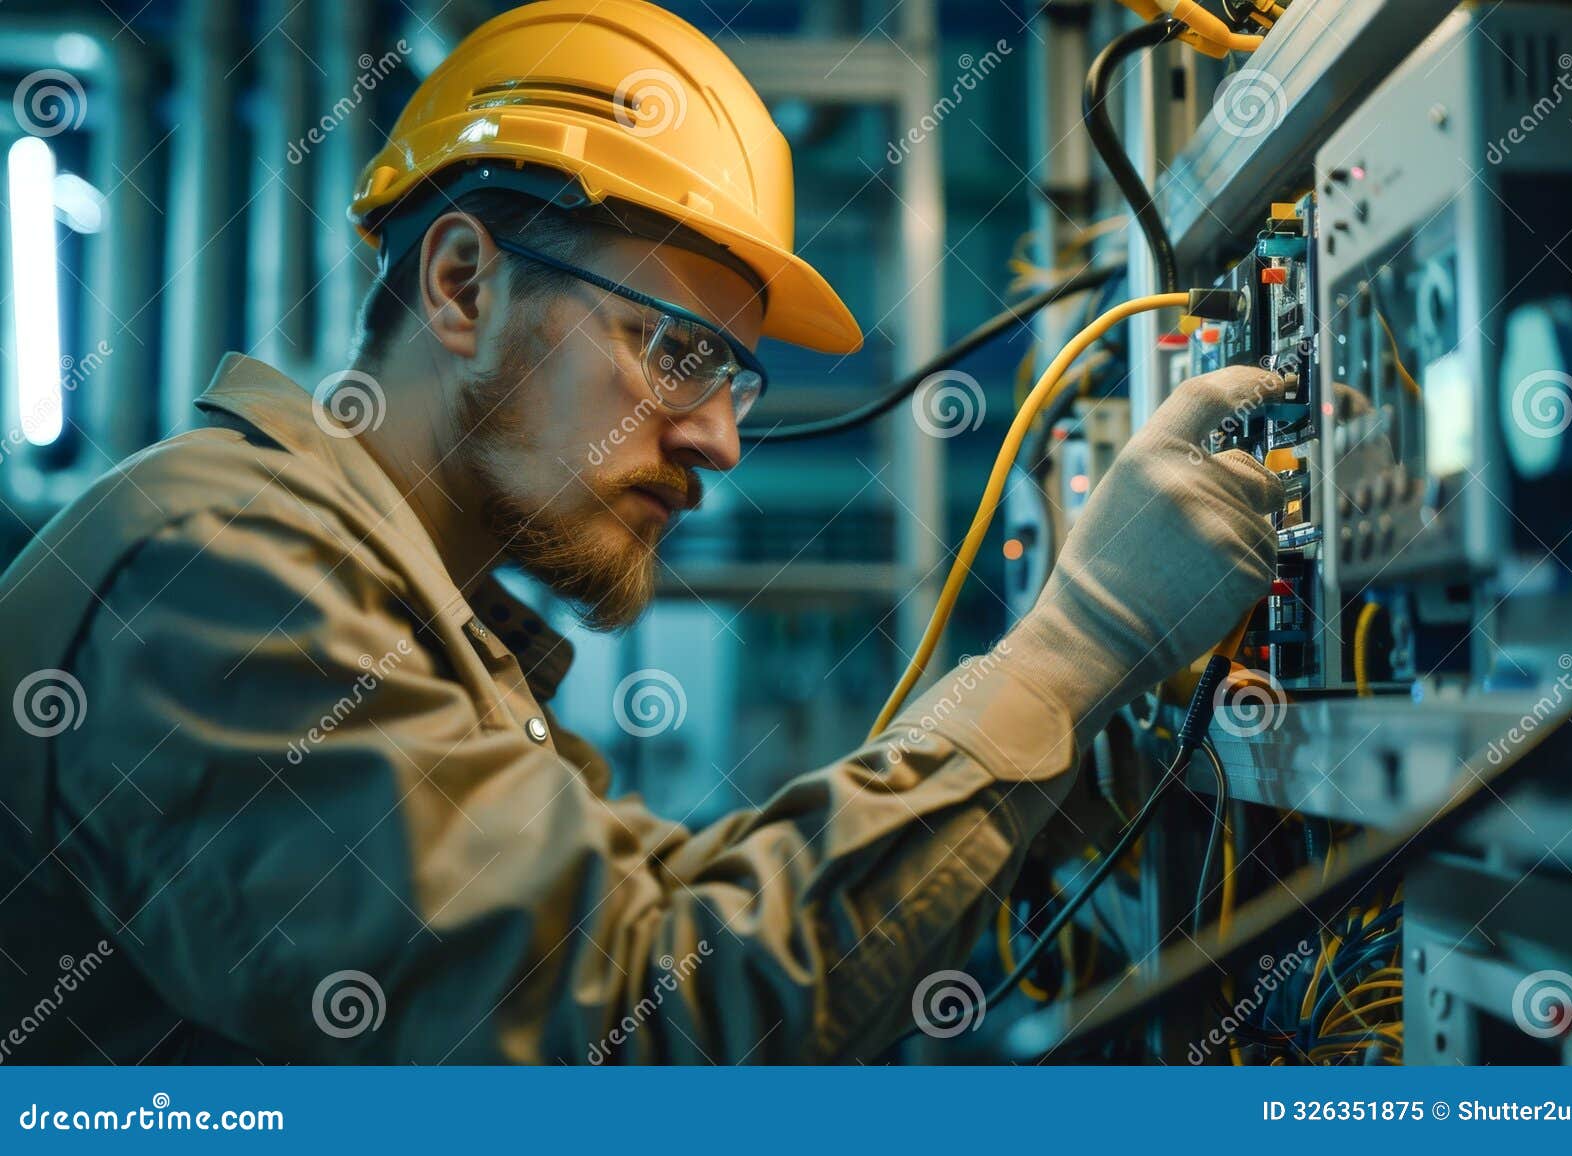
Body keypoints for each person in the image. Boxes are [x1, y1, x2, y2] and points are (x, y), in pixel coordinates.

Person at [0, 0, 1283, 1062]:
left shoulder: (428, 623)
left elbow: (649, 916)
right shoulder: (216, 573)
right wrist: (1069, 657)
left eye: (737, 377)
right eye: (676, 351)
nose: (720, 440)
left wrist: (1041, 762)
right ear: (463, 286)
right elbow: (626, 1031)